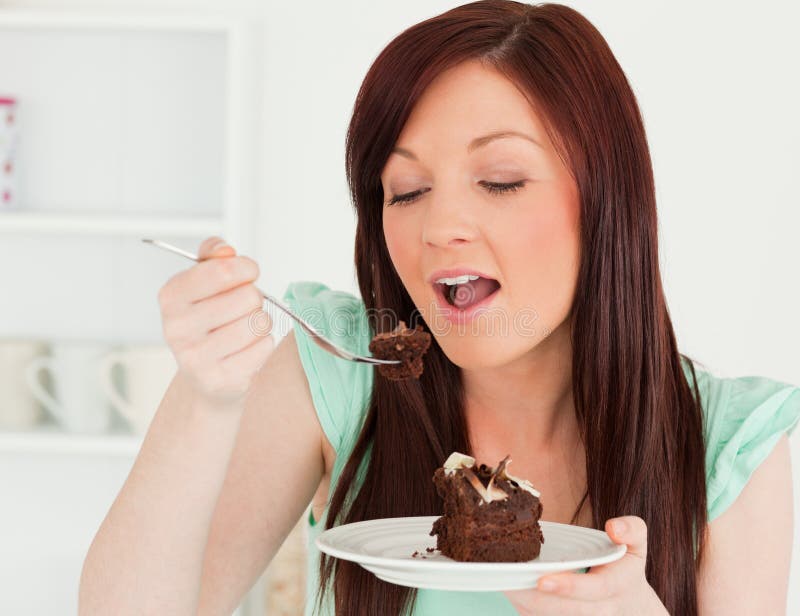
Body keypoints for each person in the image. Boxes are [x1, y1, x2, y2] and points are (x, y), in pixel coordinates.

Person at [79, 2, 799, 615]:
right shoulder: (335, 370)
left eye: (500, 179)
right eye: (407, 191)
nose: (438, 227)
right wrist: (204, 397)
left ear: (608, 200)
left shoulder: (732, 446)